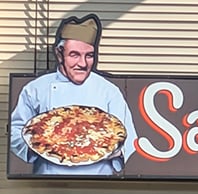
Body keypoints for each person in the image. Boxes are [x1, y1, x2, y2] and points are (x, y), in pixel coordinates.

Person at [10, 14, 136, 176]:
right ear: (59, 53)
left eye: (89, 55)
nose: (82, 64)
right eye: (74, 55)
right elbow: (15, 131)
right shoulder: (35, 89)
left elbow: (129, 136)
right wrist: (38, 146)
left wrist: (114, 151)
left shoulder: (108, 91)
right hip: (48, 181)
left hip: (99, 181)